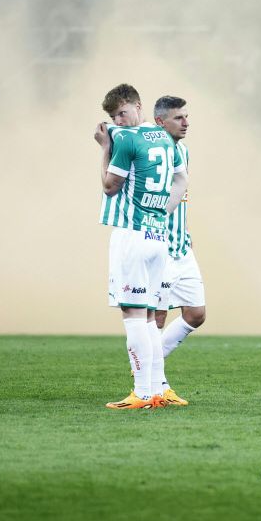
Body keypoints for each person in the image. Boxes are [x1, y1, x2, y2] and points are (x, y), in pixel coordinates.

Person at [95, 83, 188, 409]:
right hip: (158, 236)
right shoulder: (163, 137)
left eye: (122, 112)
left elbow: (109, 187)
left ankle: (142, 393)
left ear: (137, 106)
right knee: (150, 316)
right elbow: (181, 179)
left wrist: (104, 148)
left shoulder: (126, 140)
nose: (118, 120)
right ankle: (156, 390)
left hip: (132, 236)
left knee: (133, 315)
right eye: (113, 116)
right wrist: (164, 211)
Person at [151, 95, 206, 406]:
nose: (186, 123)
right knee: (156, 317)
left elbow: (179, 197)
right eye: (178, 118)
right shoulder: (148, 152)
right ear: (161, 122)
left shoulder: (183, 151)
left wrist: (184, 229)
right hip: (158, 247)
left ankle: (147, 365)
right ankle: (155, 383)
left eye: (186, 117)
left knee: (196, 314)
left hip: (182, 246)